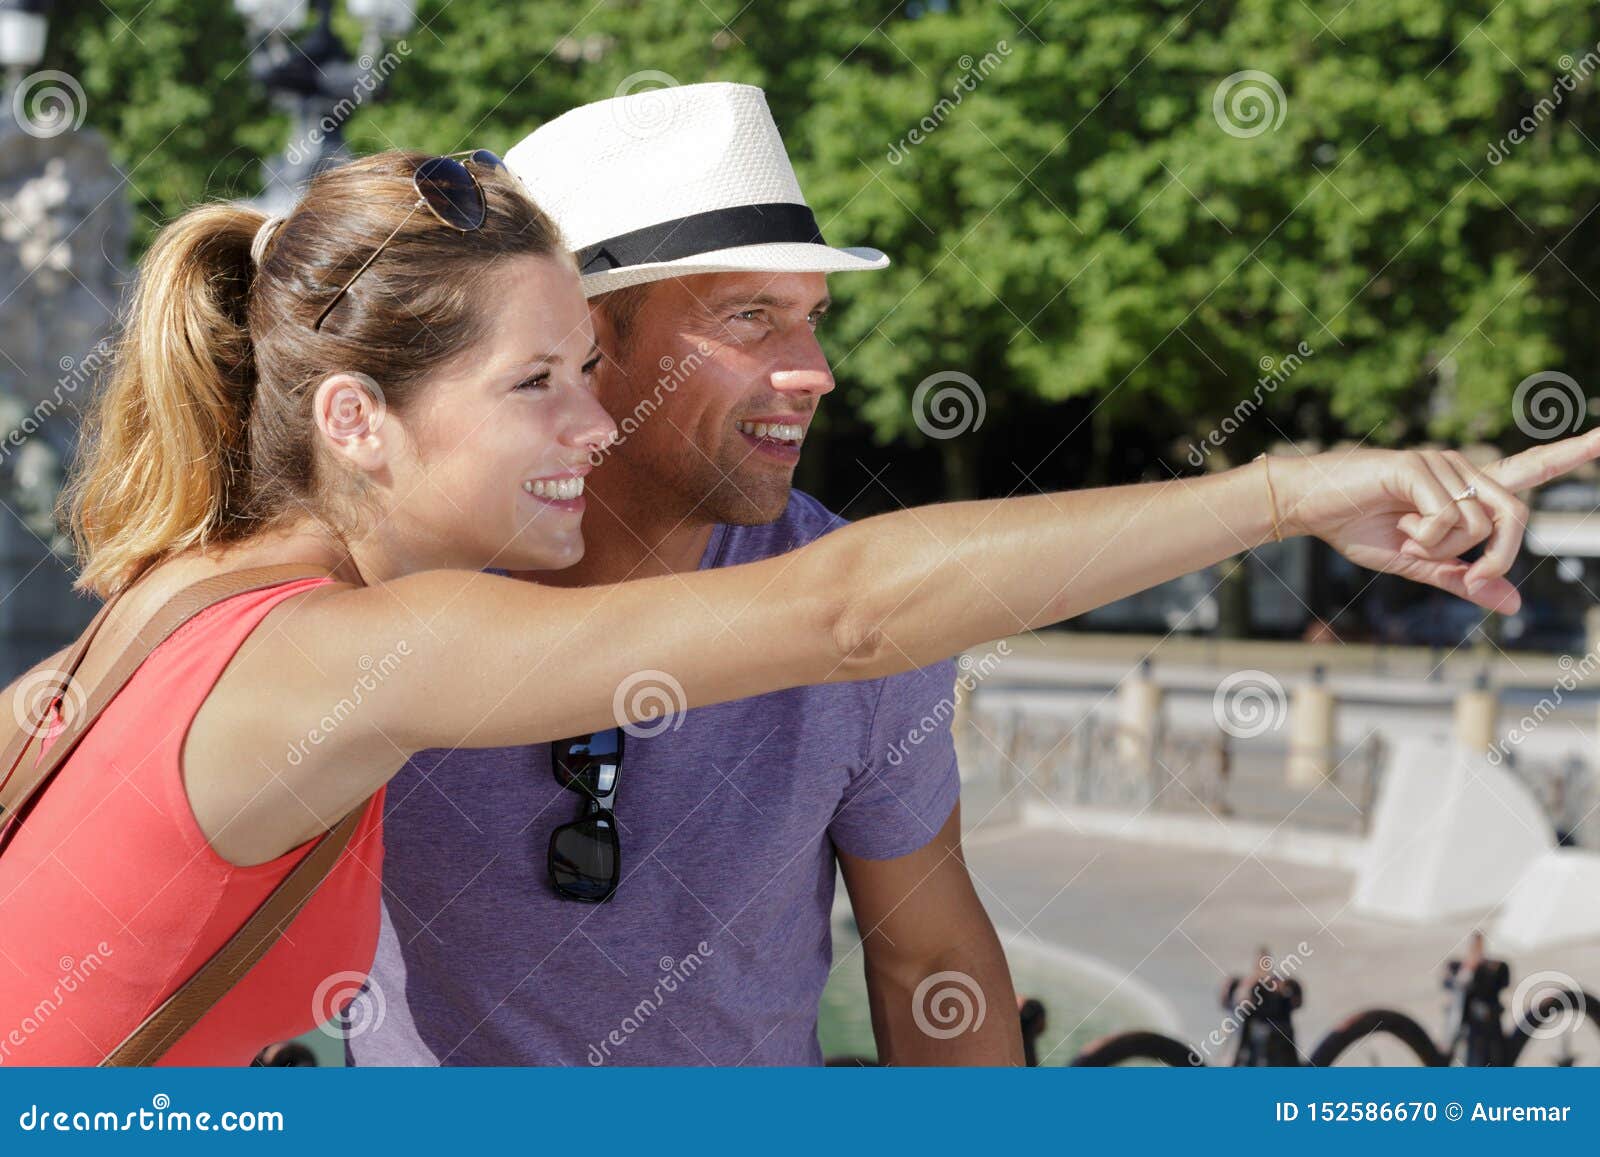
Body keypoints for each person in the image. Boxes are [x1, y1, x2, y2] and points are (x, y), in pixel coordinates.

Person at [0, 140, 1592, 1068]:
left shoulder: (157, 606)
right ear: (356, 419)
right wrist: (1284, 490)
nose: (579, 426)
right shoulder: (351, 649)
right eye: (539, 382)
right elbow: (847, 616)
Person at [348, 82, 1017, 1068]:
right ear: (578, 338)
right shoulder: (371, 588)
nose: (815, 368)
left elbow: (929, 961)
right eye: (751, 316)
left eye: (809, 315)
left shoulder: (860, 613)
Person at [1222, 947, 1303, 1066]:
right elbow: (1227, 1002)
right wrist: (1246, 988)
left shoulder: (1281, 988)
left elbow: (1297, 1001)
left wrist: (1284, 988)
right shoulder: (1244, 986)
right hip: (1247, 1053)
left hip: (1280, 1055)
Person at [1443, 930, 1512, 1066]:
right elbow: (1449, 983)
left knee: (1495, 1059)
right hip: (1468, 1029)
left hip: (1490, 1028)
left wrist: (1478, 969)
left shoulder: (1494, 968)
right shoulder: (1458, 967)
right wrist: (1467, 971)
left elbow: (1500, 982)